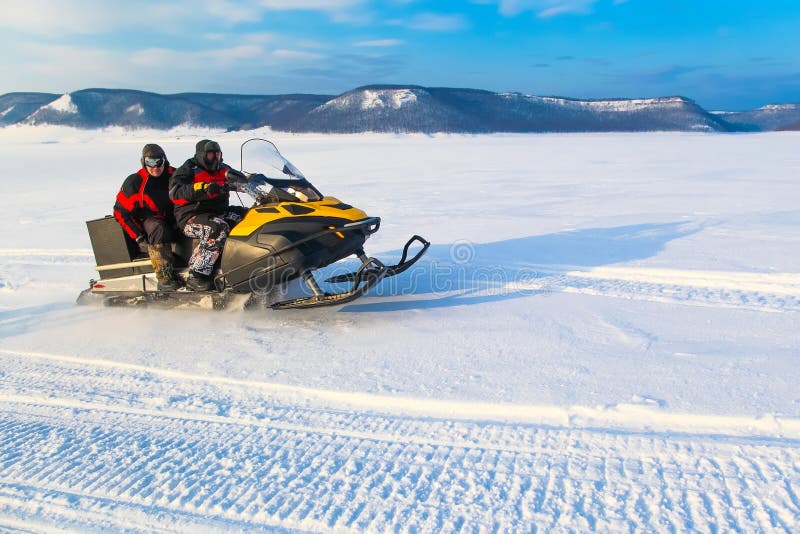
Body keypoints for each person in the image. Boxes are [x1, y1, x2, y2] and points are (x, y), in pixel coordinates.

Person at [169, 139, 247, 291]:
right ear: (202, 155)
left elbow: (239, 181)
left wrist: (252, 182)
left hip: (218, 212)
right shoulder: (188, 169)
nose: (216, 158)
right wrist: (202, 188)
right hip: (190, 217)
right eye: (211, 155)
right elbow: (175, 192)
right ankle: (196, 275)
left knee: (247, 217)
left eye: (218, 154)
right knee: (217, 228)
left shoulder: (223, 169)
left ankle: (239, 264)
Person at [113, 143, 182, 291]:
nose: (155, 167)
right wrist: (137, 235)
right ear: (144, 162)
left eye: (159, 162)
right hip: (149, 221)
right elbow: (120, 212)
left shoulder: (175, 175)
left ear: (164, 161)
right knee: (159, 227)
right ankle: (164, 277)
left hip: (175, 216)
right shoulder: (135, 183)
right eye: (150, 162)